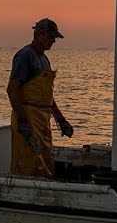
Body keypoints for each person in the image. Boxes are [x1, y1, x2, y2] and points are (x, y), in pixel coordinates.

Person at [6, 18, 74, 177]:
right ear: (38, 35)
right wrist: (23, 121)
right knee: (28, 160)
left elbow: (47, 96)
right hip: (28, 118)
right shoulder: (24, 56)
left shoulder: (44, 59)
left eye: (54, 38)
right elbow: (12, 89)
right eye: (50, 37)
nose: (53, 41)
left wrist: (61, 120)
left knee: (45, 159)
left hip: (42, 120)